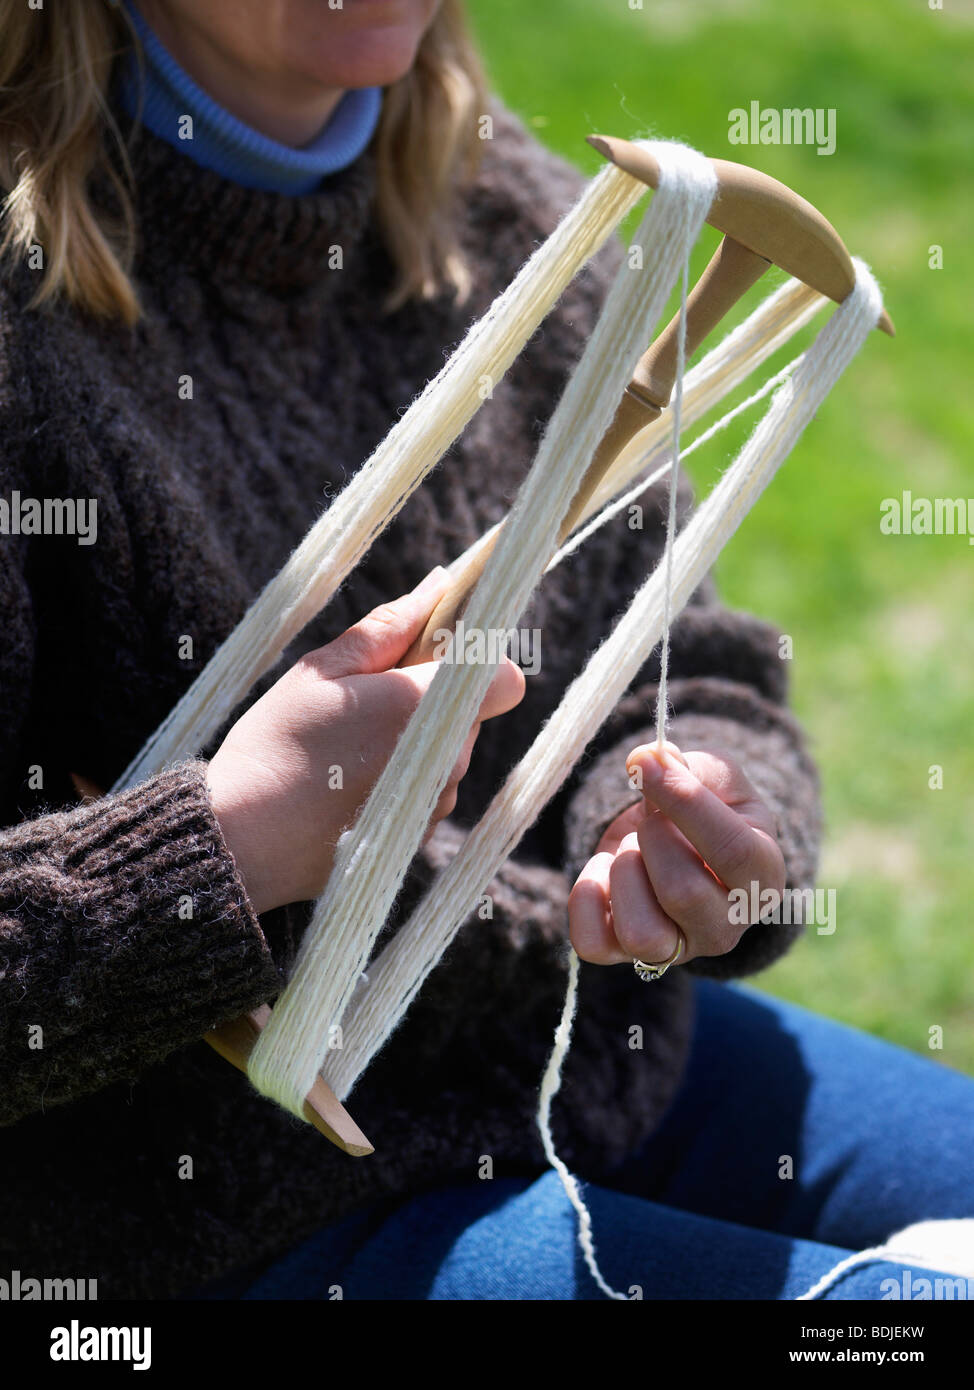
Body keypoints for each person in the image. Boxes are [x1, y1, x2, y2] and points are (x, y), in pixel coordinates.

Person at [0, 0, 970, 1302]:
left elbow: (693, 660)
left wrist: (699, 816)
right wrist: (224, 840)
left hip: (560, 1049)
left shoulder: (511, 212)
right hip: (175, 1208)